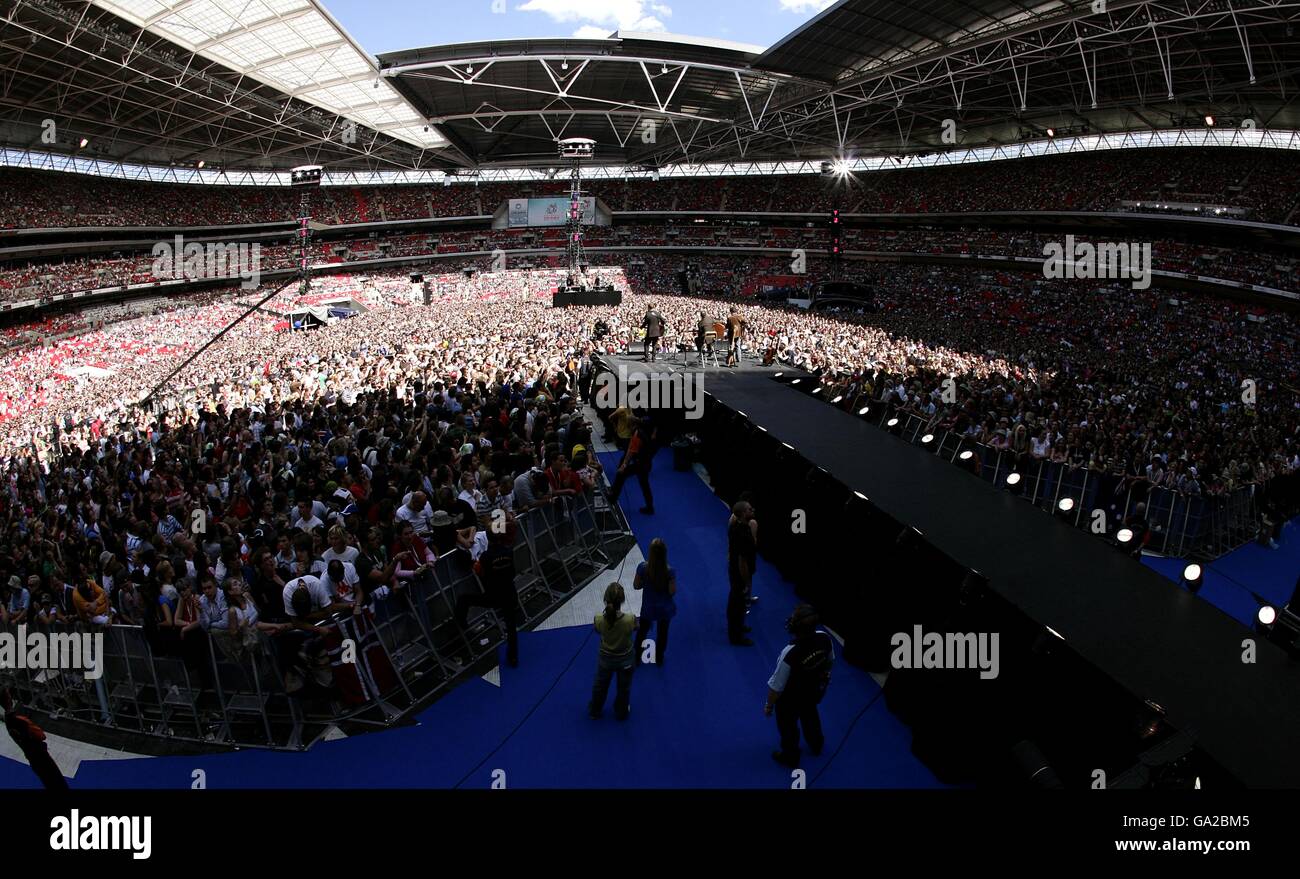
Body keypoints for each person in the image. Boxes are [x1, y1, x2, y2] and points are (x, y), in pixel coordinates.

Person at [765, 605, 834, 768]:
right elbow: (829, 661)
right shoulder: (825, 638)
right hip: (813, 691)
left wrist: (769, 705)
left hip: (790, 699)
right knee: (810, 715)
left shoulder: (789, 652)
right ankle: (816, 744)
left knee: (788, 726)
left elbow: (777, 686)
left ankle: (791, 756)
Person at [453, 525, 520, 667]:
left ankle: (460, 624)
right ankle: (513, 657)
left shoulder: (485, 557)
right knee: (511, 626)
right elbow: (513, 572)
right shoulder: (509, 551)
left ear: (487, 538)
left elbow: (478, 571)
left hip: (493, 596)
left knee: (464, 599)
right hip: (509, 594)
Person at [589, 582, 636, 720]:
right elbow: (635, 627)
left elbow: (597, 629)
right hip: (626, 659)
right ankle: (622, 712)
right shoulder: (629, 619)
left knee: (600, 686)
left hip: (606, 659)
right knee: (624, 688)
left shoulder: (599, 619)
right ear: (622, 600)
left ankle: (595, 710)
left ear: (605, 599)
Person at [634, 537, 677, 667]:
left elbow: (636, 585)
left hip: (648, 607)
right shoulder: (669, 571)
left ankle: (637, 656)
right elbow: (672, 592)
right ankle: (658, 657)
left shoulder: (643, 568)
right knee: (662, 633)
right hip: (664, 608)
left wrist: (646, 581)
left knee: (642, 631)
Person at [608, 416, 656, 515]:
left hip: (641, 463)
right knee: (644, 484)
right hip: (645, 461)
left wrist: (624, 465)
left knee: (621, 475)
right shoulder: (642, 431)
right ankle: (650, 507)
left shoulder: (637, 434)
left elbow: (631, 451)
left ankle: (612, 498)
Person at [727, 500, 756, 645]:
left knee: (735, 602)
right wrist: (746, 582)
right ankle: (736, 636)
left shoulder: (734, 527)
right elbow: (742, 562)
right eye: (750, 509)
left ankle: (737, 628)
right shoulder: (743, 533)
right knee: (737, 604)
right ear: (744, 513)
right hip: (739, 573)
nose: (753, 510)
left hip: (733, 570)